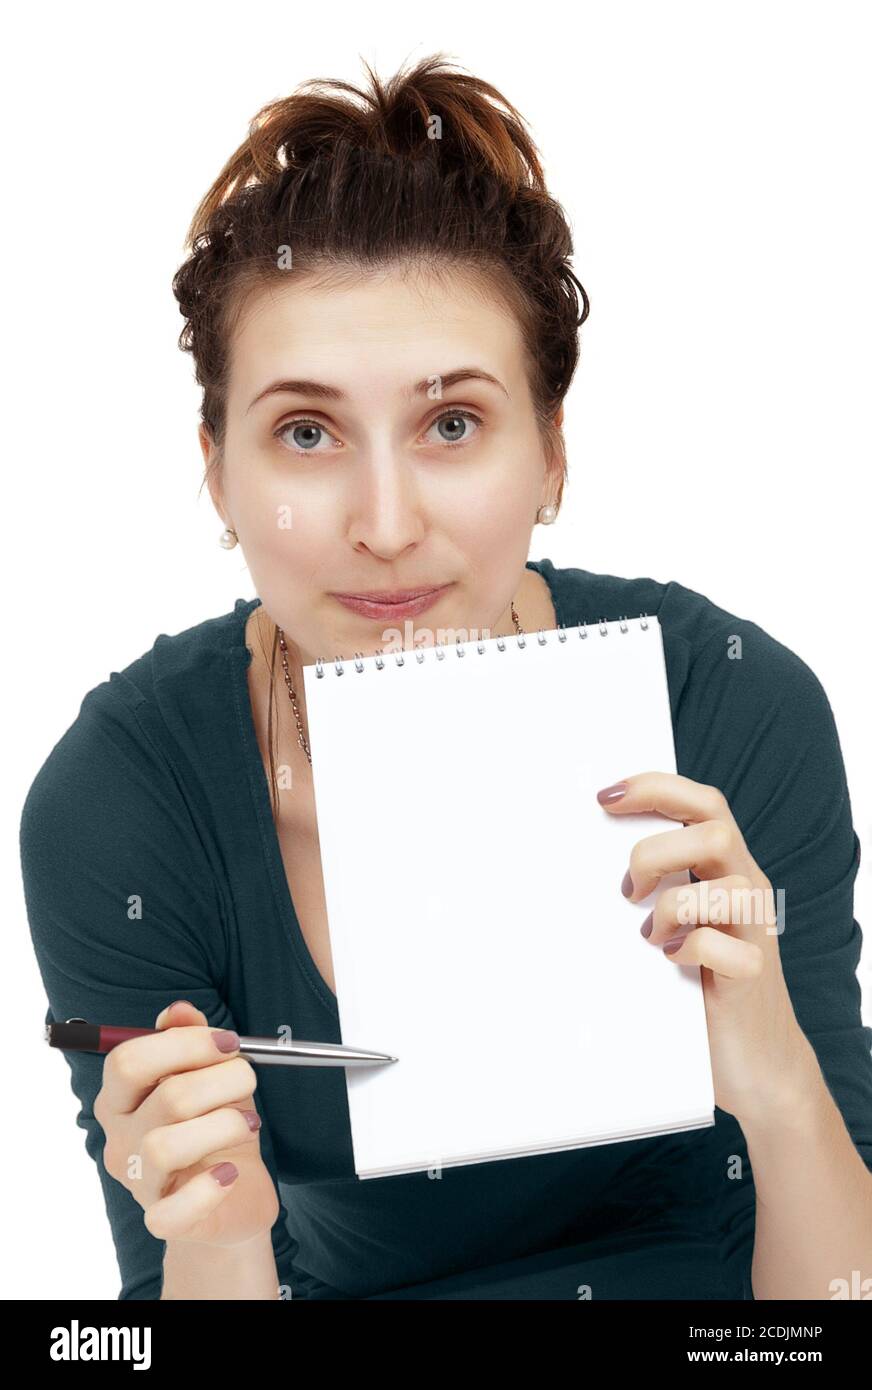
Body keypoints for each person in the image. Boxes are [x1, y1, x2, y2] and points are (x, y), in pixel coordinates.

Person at [20, 54, 872, 1301]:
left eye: (452, 423)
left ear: (551, 455)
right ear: (217, 475)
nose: (382, 522)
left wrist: (776, 1078)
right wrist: (210, 1228)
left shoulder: (732, 703)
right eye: (305, 433)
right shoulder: (121, 798)